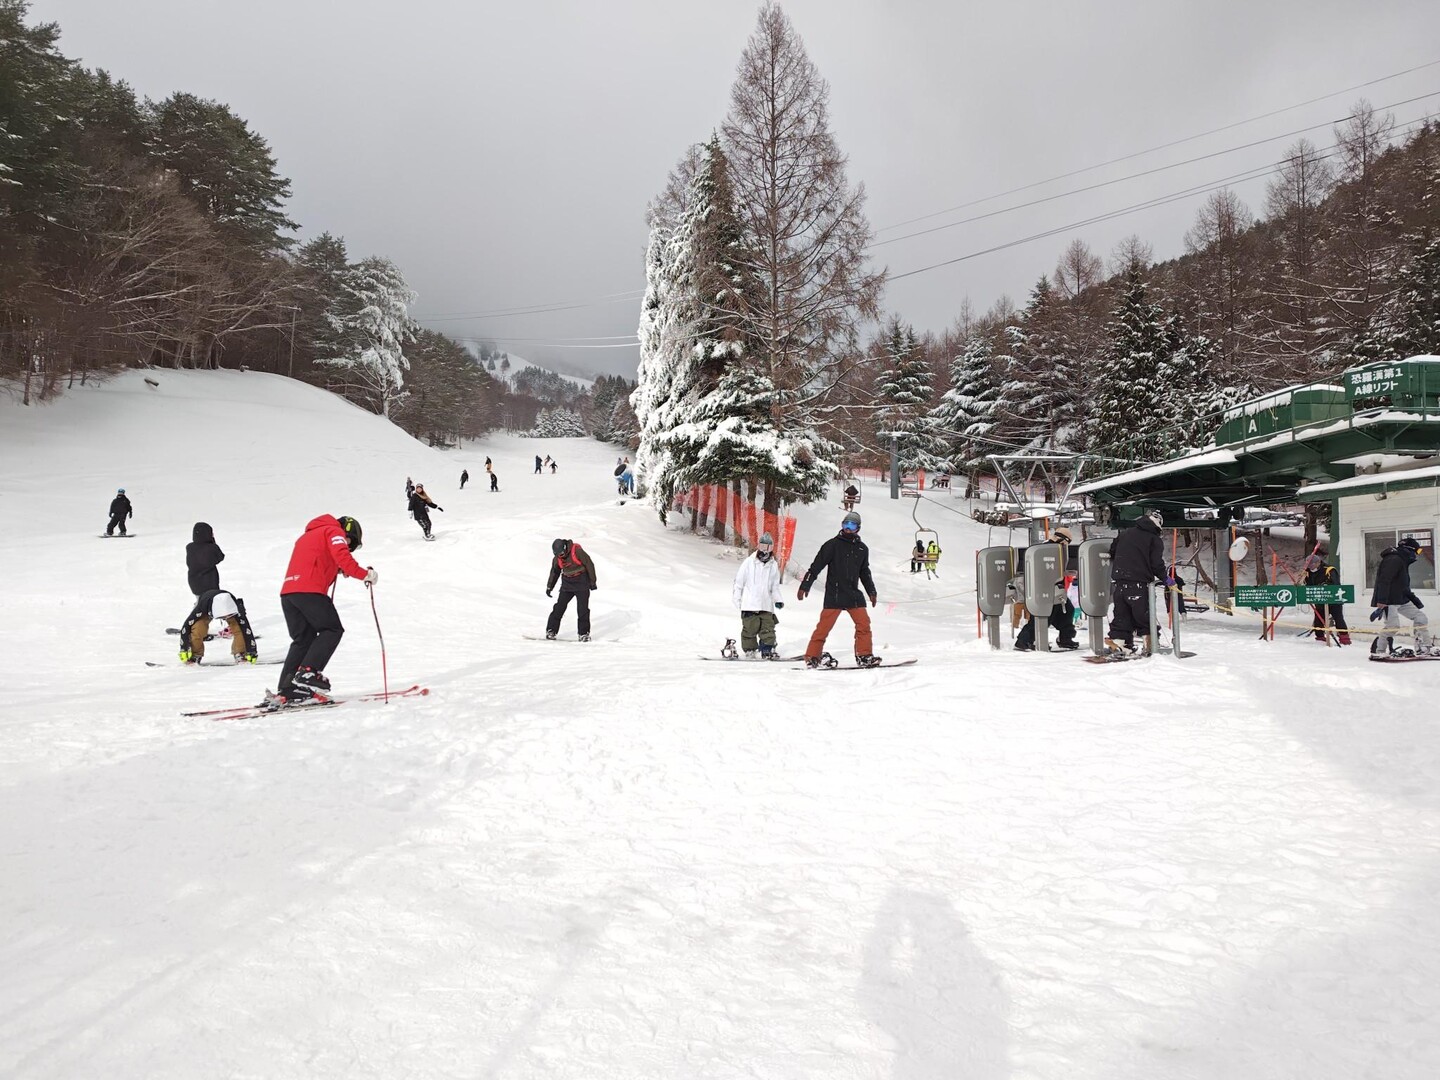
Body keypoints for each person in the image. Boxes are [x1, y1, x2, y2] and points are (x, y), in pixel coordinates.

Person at [269, 514, 375, 705]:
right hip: (310, 591)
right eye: (350, 541)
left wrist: (336, 569)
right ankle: (308, 673)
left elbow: (315, 559)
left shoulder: (307, 536)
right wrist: (365, 574)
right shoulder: (334, 530)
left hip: (289, 593)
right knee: (332, 629)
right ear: (347, 530)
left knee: (303, 639)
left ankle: (288, 688)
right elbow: (342, 555)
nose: (348, 544)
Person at [797, 510, 880, 668]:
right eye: (845, 524)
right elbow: (816, 566)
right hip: (834, 594)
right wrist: (805, 585)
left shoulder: (862, 549)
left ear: (858, 528)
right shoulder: (832, 545)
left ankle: (864, 655)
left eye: (852, 525)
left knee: (864, 624)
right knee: (823, 628)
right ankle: (812, 656)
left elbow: (865, 572)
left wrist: (872, 591)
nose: (848, 528)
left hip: (853, 595)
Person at [1106, 509, 1168, 654]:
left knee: (1121, 616)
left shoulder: (1125, 533)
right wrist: (1165, 578)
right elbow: (1156, 563)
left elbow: (1112, 552)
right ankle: (1150, 645)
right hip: (1139, 584)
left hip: (1119, 584)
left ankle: (1119, 643)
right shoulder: (1153, 539)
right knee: (1144, 617)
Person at [1015, 528, 1078, 650]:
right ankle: (1023, 640)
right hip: (1044, 589)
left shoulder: (1048, 548)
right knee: (1043, 615)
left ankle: (1065, 637)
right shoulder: (1048, 550)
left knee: (1067, 610)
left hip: (1055, 590)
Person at [1371, 537, 1431, 656]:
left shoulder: (1402, 561)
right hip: (1388, 600)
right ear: (1410, 549)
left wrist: (1416, 602)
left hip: (1402, 599)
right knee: (1392, 626)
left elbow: (1403, 586)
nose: (1417, 555)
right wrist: (1382, 600)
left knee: (1421, 618)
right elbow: (1384, 580)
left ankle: (1424, 647)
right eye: (1417, 551)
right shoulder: (1393, 559)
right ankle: (1379, 651)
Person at [733, 532, 785, 658]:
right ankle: (750, 650)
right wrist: (737, 599)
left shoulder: (773, 565)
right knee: (749, 629)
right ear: (758, 546)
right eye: (762, 546)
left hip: (766, 604)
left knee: (768, 629)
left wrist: (778, 599)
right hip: (750, 603)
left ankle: (767, 649)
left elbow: (774, 586)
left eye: (768, 547)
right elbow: (739, 582)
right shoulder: (749, 563)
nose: (765, 551)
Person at [179, 589, 257, 664]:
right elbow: (186, 626)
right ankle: (195, 655)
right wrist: (184, 649)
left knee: (239, 627)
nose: (225, 618)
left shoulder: (236, 607)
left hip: (231, 608)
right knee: (198, 628)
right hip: (206, 604)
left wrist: (252, 651)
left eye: (228, 616)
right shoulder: (202, 606)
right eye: (222, 617)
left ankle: (240, 652)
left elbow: (246, 628)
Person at [545, 538, 597, 641]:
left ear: (565, 548)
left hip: (581, 581)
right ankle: (551, 630)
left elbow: (589, 564)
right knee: (559, 607)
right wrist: (549, 586)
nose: (561, 555)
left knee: (582, 609)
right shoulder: (557, 558)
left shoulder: (576, 551)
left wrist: (592, 582)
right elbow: (555, 572)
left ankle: (583, 634)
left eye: (562, 553)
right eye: (558, 554)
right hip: (567, 583)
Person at [1305, 552, 1350, 645]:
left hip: (1333, 600)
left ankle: (1344, 638)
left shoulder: (1329, 570)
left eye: (1312, 564)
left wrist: (1325, 585)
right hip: (1320, 600)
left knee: (1338, 618)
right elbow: (1308, 584)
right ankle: (1320, 637)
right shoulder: (1308, 572)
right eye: (1309, 565)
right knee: (1318, 619)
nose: (1310, 567)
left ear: (1318, 562)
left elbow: (1335, 583)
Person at [186, 521, 225, 597]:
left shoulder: (190, 547)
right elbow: (220, 557)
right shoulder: (212, 548)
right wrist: (212, 542)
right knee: (211, 602)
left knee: (200, 600)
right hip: (210, 583)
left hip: (194, 582)